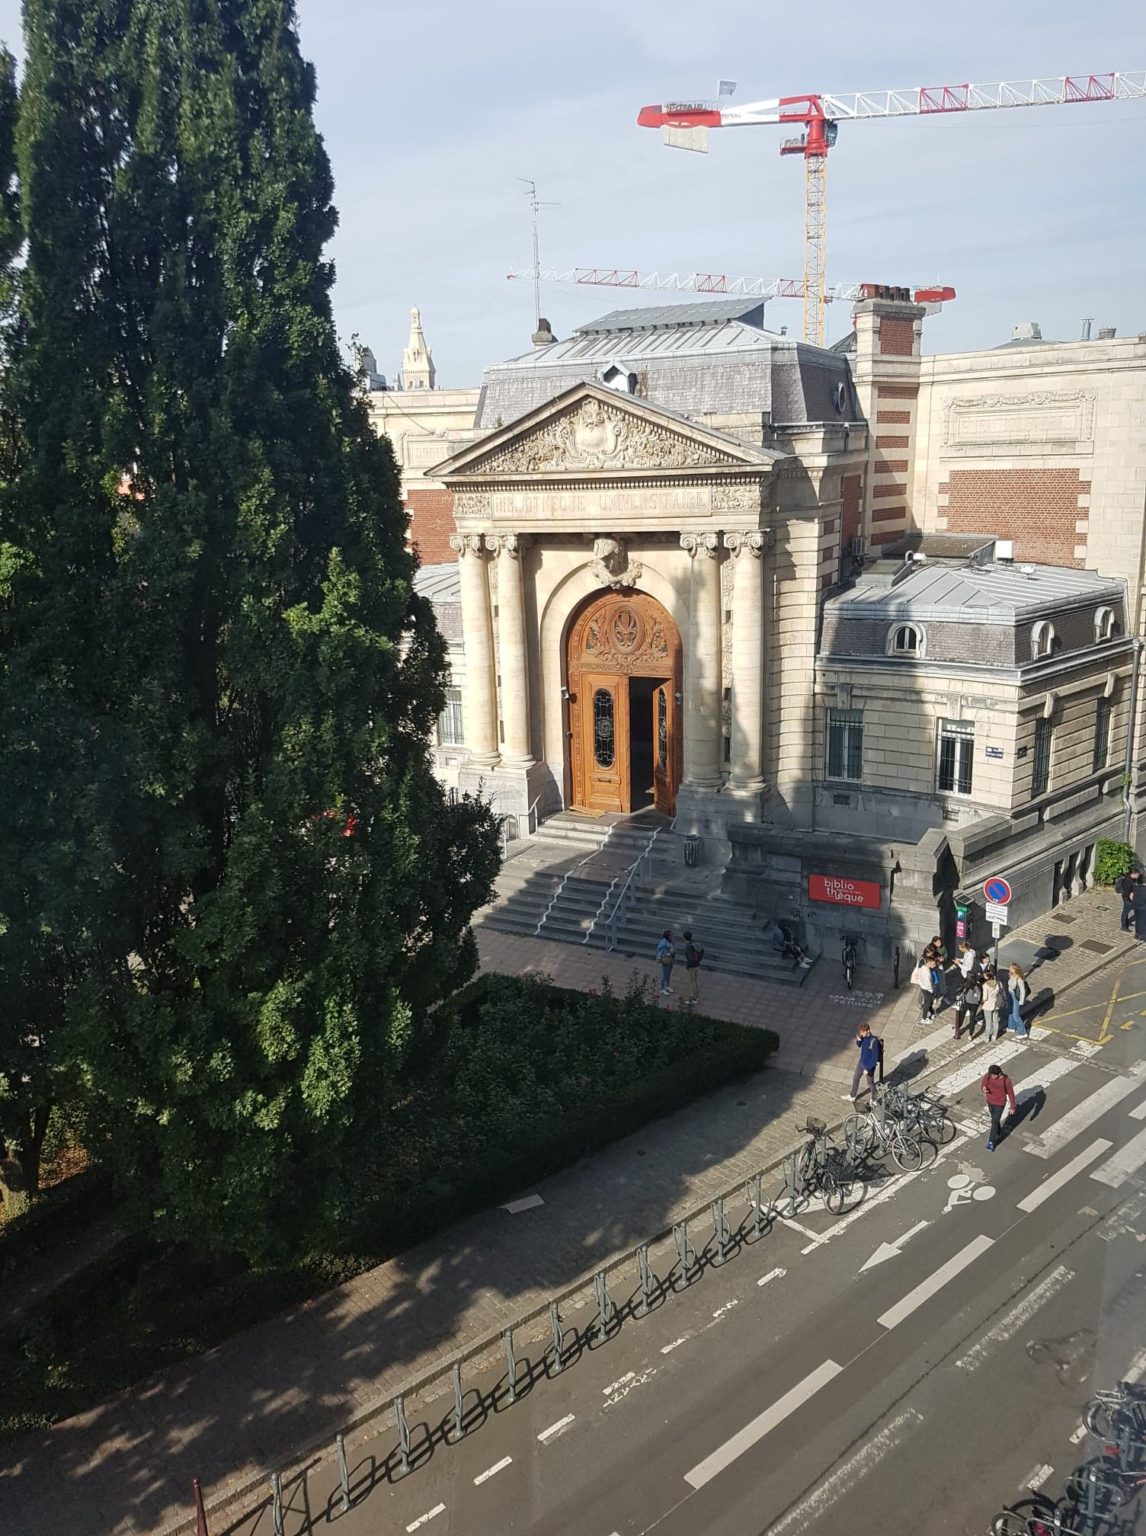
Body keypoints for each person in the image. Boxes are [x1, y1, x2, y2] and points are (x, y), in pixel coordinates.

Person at [980, 1062, 1017, 1151]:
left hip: (1000, 1103)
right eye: (991, 1075)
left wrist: (1012, 1107)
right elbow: (983, 1083)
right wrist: (983, 1088)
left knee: (994, 1121)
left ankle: (991, 1142)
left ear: (999, 1073)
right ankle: (998, 1132)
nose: (991, 1076)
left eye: (993, 1075)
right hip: (990, 1101)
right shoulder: (988, 1075)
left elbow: (1011, 1093)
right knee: (994, 1120)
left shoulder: (1006, 1080)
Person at [844, 1020, 883, 1103]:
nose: (861, 1034)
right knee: (855, 1078)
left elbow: (875, 1057)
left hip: (869, 1066)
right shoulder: (863, 1037)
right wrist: (858, 1040)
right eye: (861, 1032)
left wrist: (868, 1069)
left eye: (863, 1032)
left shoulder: (873, 1041)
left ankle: (874, 1099)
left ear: (868, 1031)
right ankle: (852, 1096)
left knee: (870, 1083)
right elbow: (859, 1045)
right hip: (861, 1062)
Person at [954, 968, 983, 1042]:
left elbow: (960, 991)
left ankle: (958, 1028)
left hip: (966, 1002)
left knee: (961, 1016)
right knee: (972, 1019)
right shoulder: (978, 985)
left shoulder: (966, 983)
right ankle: (970, 1035)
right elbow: (980, 996)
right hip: (974, 1004)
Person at [910, 951, 936, 1021]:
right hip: (927, 989)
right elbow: (927, 983)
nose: (934, 965)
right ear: (929, 963)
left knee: (930, 1002)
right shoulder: (926, 972)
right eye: (933, 964)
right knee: (927, 1004)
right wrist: (932, 990)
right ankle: (924, 1018)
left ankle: (932, 1013)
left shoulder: (924, 968)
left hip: (924, 987)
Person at [1007, 962, 1030, 1037]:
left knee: (1015, 1015)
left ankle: (1022, 1032)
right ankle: (1011, 1027)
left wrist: (1021, 1001)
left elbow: (1022, 991)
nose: (1009, 968)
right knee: (1010, 1011)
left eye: (1010, 967)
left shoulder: (1019, 979)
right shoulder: (1011, 974)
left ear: (1014, 969)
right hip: (1010, 994)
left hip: (1016, 997)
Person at [682, 929, 704, 1004]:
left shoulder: (688, 947)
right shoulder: (696, 943)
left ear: (684, 938)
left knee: (692, 982)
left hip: (692, 966)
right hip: (697, 965)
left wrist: (688, 965)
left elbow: (690, 959)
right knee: (695, 981)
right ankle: (696, 996)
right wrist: (698, 961)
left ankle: (693, 999)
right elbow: (702, 952)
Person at [981, 969, 1003, 1042]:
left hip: (988, 1005)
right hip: (996, 1004)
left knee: (988, 1022)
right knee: (995, 1021)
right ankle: (994, 1036)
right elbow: (1000, 992)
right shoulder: (998, 983)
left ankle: (987, 1037)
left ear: (987, 977)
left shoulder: (985, 985)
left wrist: (982, 1002)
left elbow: (985, 998)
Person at [656, 930, 675, 996]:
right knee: (664, 974)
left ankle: (667, 986)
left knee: (668, 973)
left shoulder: (670, 941)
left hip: (670, 959)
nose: (672, 936)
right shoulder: (664, 943)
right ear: (668, 936)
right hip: (666, 960)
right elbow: (661, 952)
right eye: (671, 935)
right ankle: (662, 989)